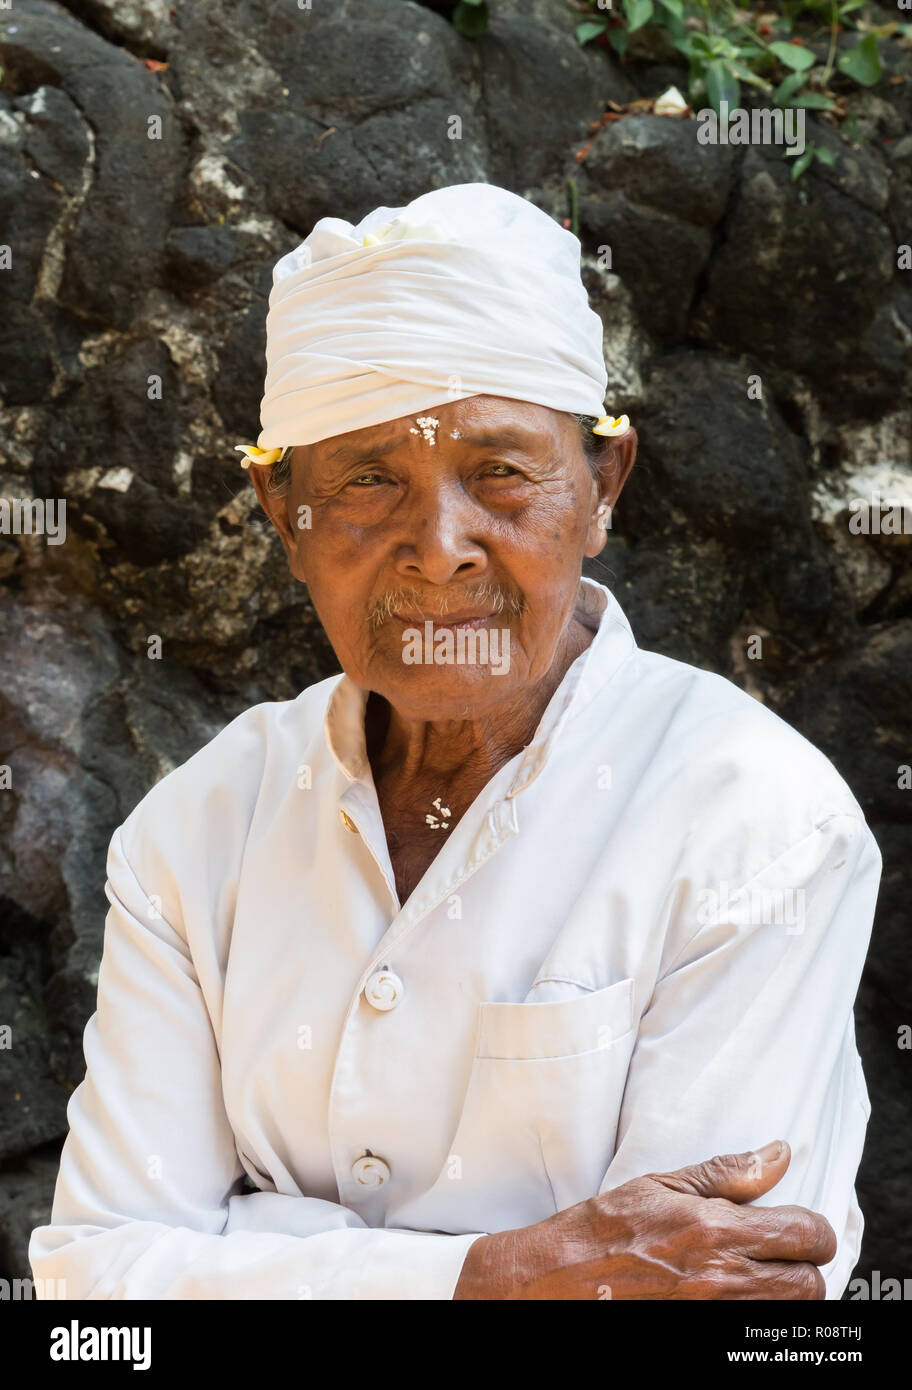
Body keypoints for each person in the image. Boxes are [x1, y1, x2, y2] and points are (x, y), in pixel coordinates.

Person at [29, 183, 880, 1300]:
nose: (441, 551)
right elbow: (95, 1288)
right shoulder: (199, 830)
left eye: (501, 474)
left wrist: (255, 1253)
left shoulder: (756, 822)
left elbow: (699, 1304)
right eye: (369, 479)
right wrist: (499, 1276)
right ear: (284, 514)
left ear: (601, 488)